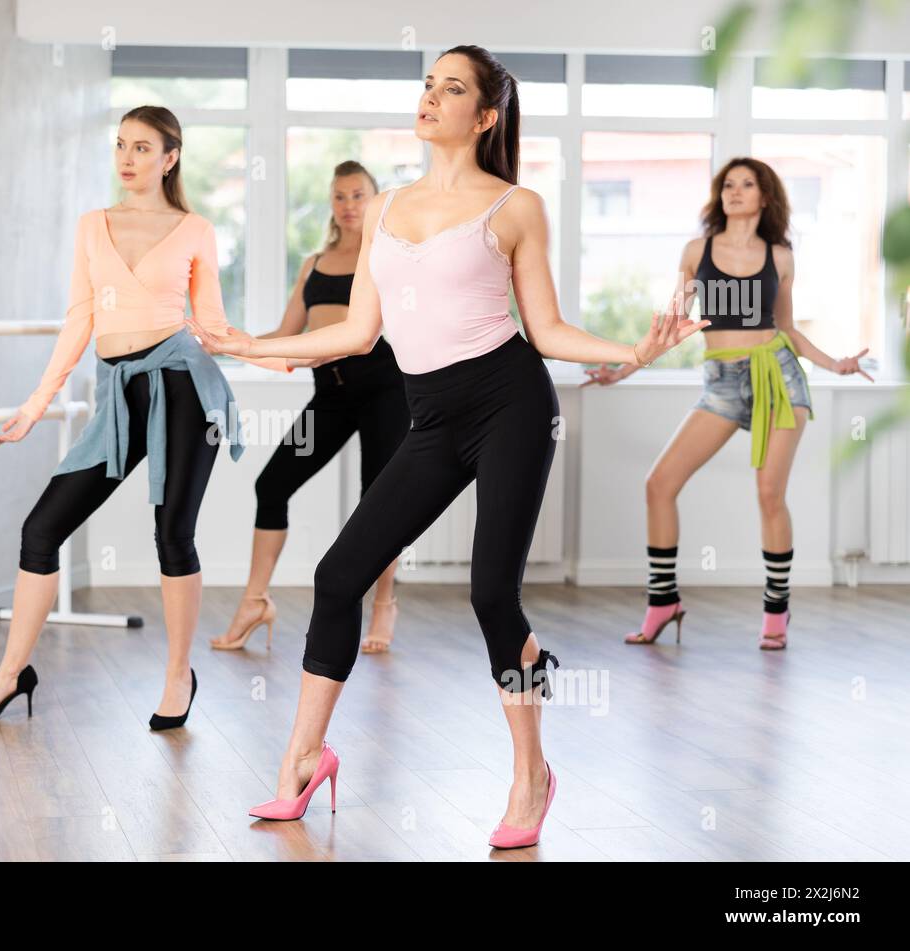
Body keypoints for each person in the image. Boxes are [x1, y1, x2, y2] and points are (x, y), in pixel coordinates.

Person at [190, 46, 704, 846]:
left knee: (492, 595)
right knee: (336, 577)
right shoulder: (386, 208)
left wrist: (632, 354)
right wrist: (247, 345)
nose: (431, 96)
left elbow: (548, 329)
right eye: (428, 83)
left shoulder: (515, 207)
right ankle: (302, 758)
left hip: (509, 404)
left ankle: (531, 774)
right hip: (432, 419)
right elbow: (359, 332)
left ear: (486, 115)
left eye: (452, 87)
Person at [0, 106, 293, 728]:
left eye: (142, 147)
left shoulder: (194, 229)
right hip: (120, 393)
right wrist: (36, 405)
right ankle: (10, 673)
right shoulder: (92, 226)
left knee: (172, 535)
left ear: (170, 158)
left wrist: (272, 356)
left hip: (187, 386)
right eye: (120, 146)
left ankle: (177, 675)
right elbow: (80, 320)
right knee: (42, 529)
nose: (127, 159)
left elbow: (211, 326)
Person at [585, 158, 873, 650]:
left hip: (777, 380)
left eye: (747, 185)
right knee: (659, 484)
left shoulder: (780, 256)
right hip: (720, 384)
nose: (735, 192)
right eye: (728, 186)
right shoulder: (697, 250)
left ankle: (776, 615)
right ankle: (662, 603)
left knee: (768, 495)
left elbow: (787, 327)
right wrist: (626, 366)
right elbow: (673, 324)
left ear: (765, 197)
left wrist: (835, 364)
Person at [210, 160, 410, 655]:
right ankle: (254, 602)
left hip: (386, 389)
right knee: (271, 484)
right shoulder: (314, 264)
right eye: (340, 197)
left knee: (379, 500)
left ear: (374, 196)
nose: (348, 206)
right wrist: (238, 343)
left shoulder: (388, 255)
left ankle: (384, 606)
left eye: (358, 195)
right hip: (332, 394)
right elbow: (287, 334)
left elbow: (372, 335)